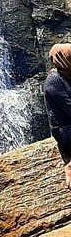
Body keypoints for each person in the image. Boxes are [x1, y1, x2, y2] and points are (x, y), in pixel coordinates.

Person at [44, 44, 71, 190]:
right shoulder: (53, 80)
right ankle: (70, 166)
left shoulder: (68, 75)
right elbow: (68, 107)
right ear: (63, 59)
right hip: (64, 129)